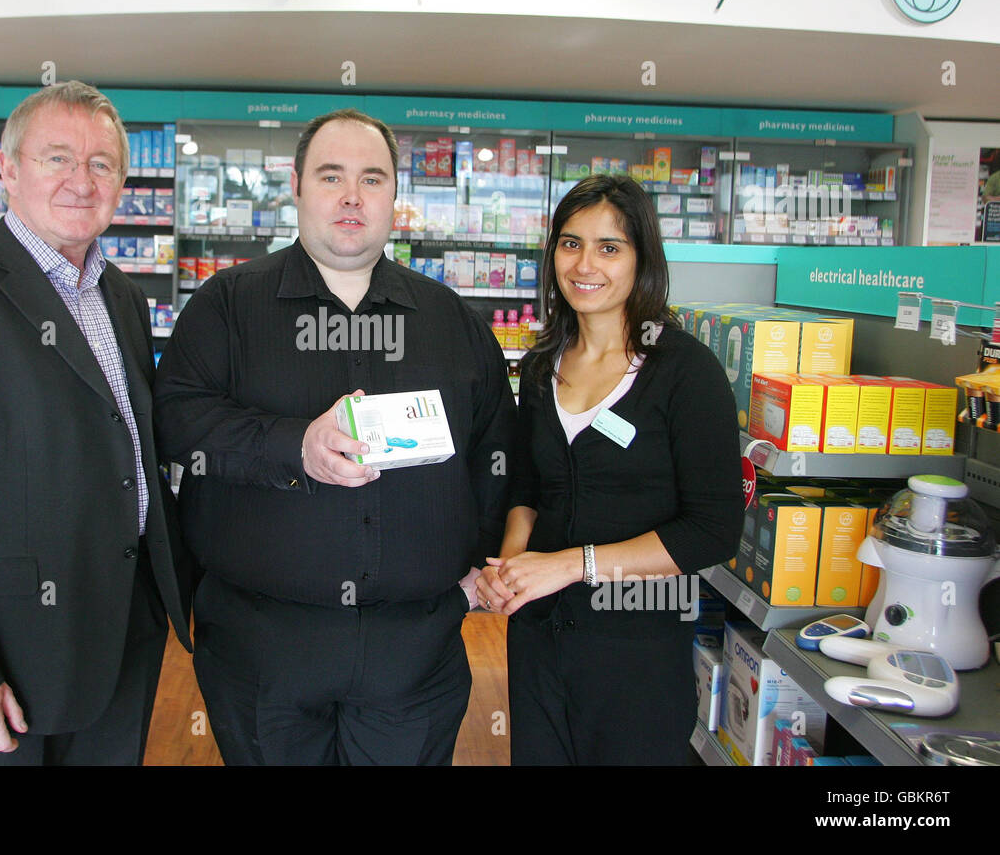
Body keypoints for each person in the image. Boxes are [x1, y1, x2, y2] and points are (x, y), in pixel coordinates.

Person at [154, 108, 517, 765]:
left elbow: (496, 455)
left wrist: (470, 575)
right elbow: (178, 421)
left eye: (372, 178)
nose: (353, 195)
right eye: (332, 175)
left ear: (394, 196)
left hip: (415, 654)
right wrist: (295, 446)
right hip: (263, 651)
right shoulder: (227, 305)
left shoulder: (450, 321)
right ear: (296, 185)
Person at [0, 80, 193, 765]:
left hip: (125, 634)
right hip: (10, 659)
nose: (82, 181)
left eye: (102, 164)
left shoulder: (124, 299)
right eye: (57, 159)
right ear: (9, 171)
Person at [475, 173, 742, 765]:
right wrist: (513, 564)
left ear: (642, 259)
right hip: (541, 638)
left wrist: (572, 566)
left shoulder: (684, 372)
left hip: (636, 647)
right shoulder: (545, 364)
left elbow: (713, 530)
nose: (584, 264)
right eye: (570, 244)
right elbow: (528, 484)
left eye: (609, 247)